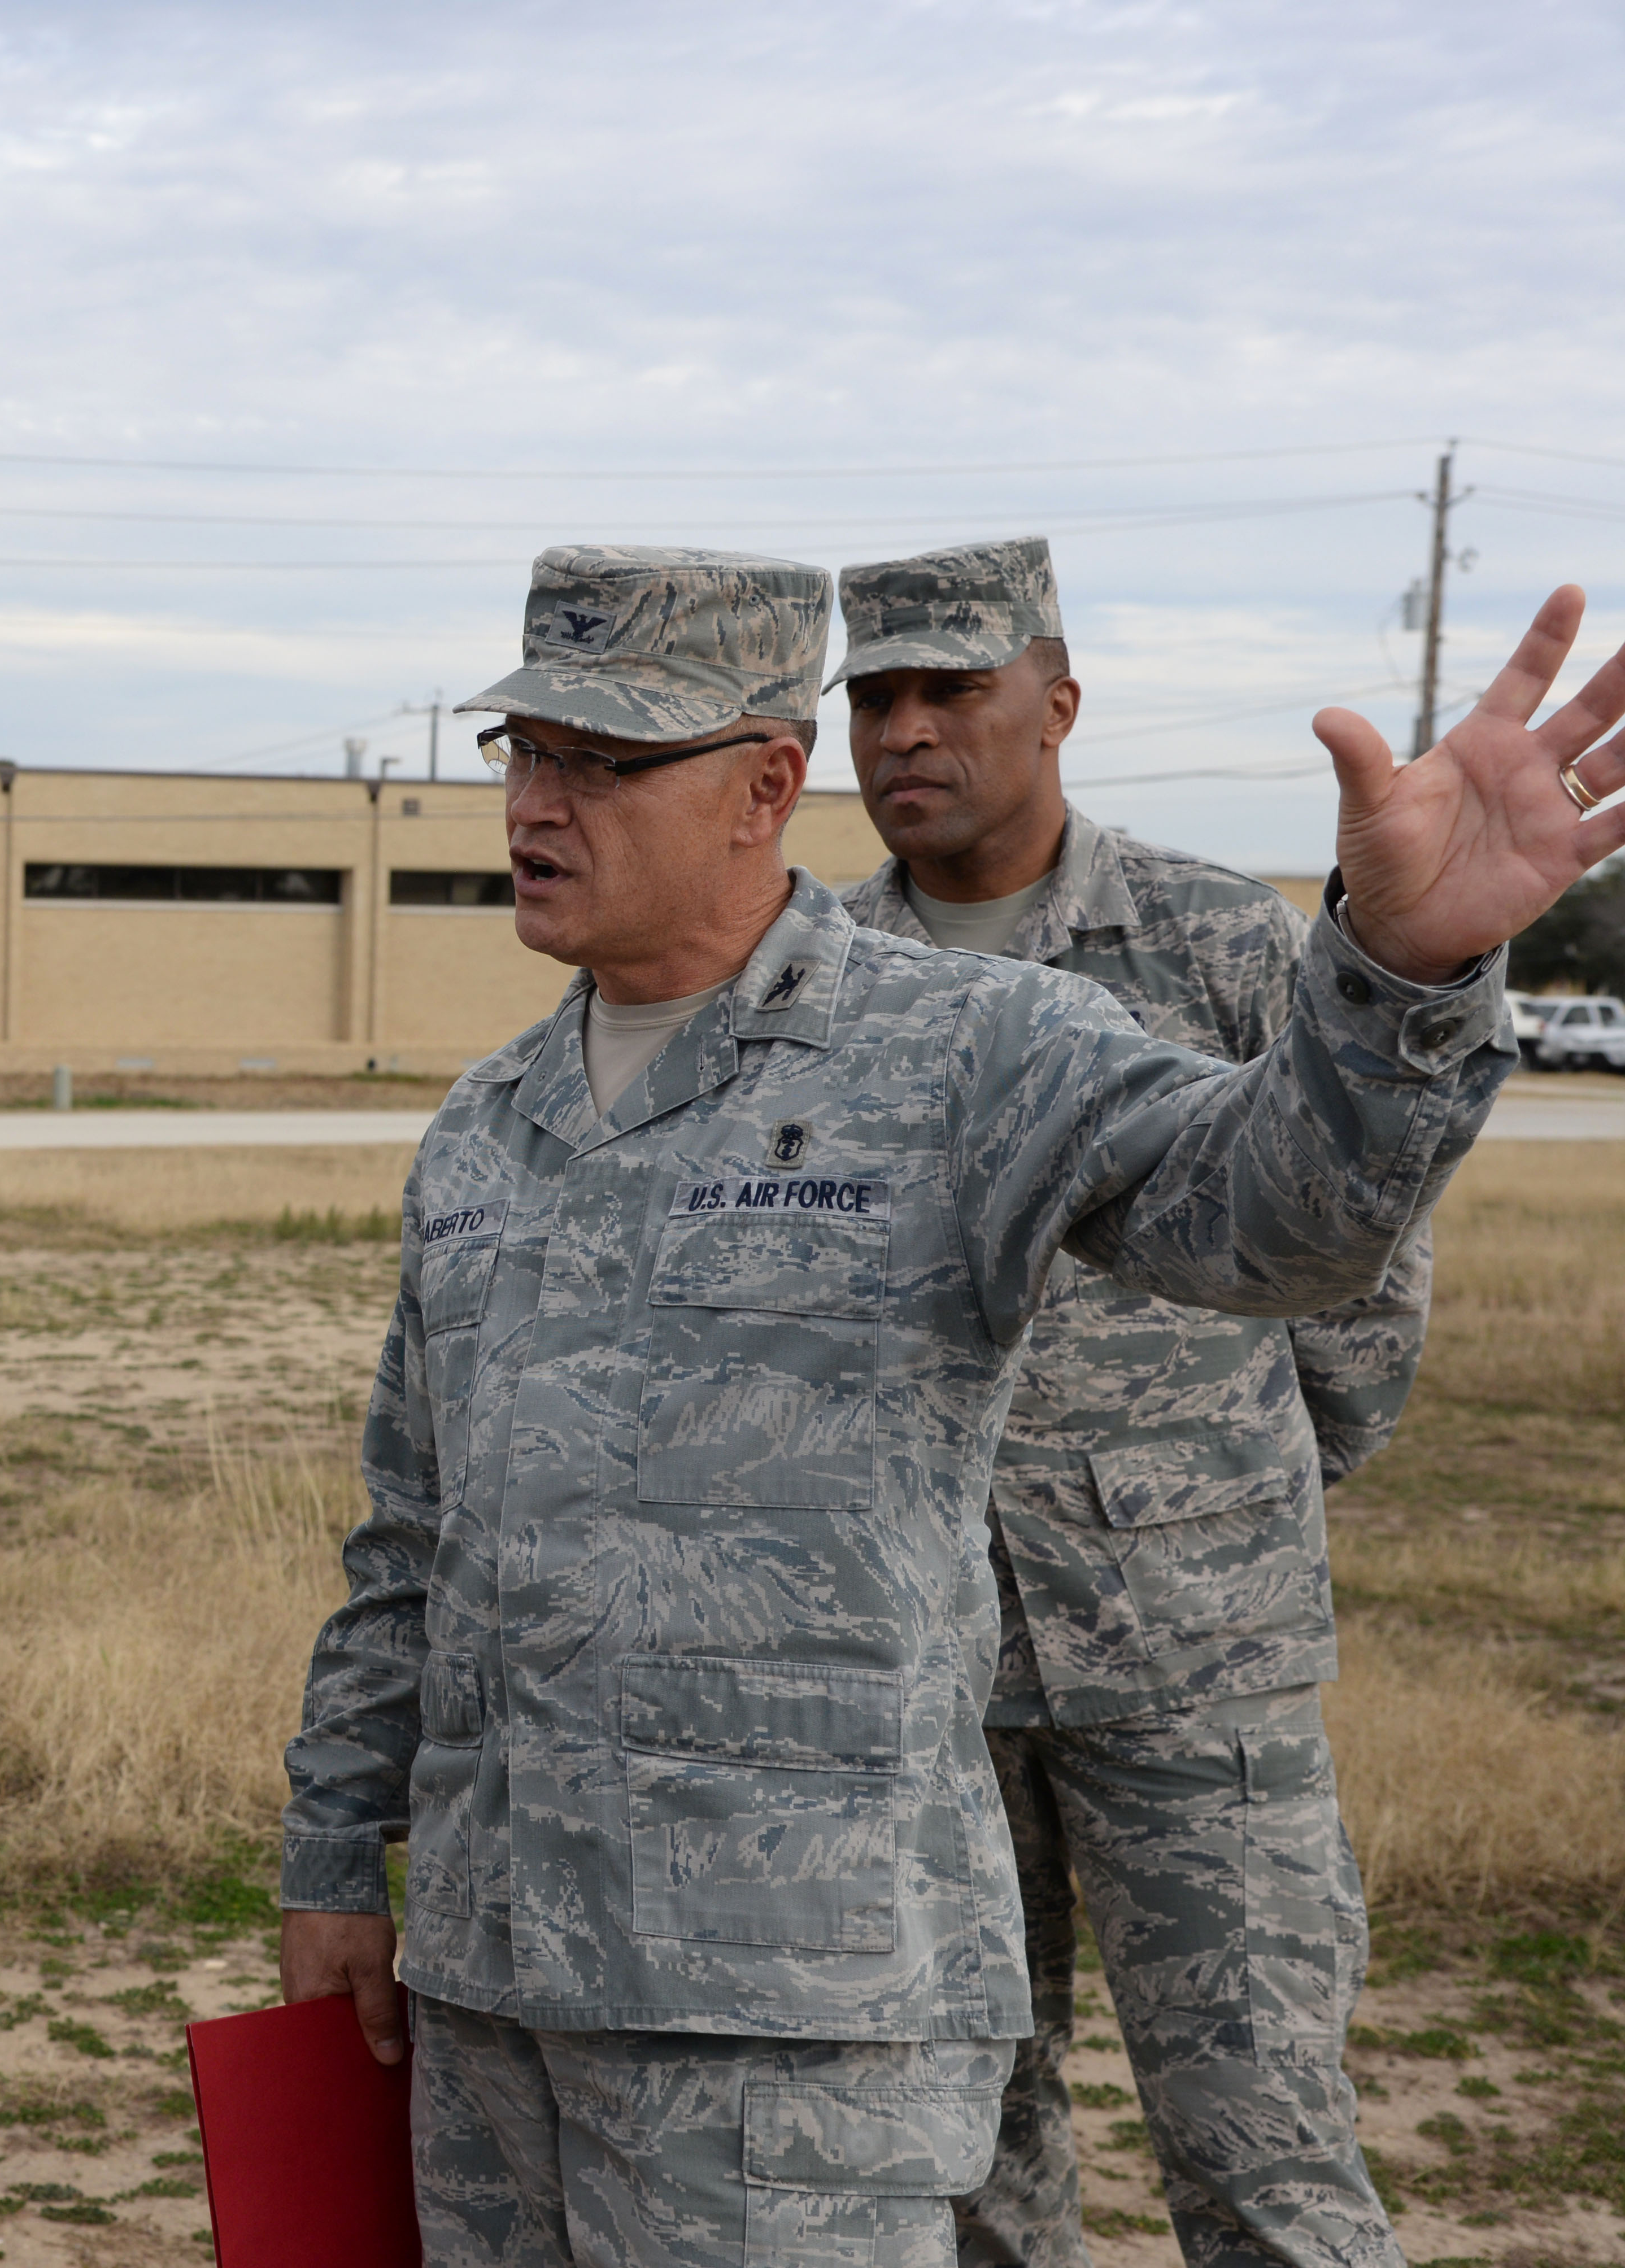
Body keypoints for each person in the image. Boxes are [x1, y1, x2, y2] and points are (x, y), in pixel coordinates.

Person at [278, 540, 1605, 2268]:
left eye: (605, 762)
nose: (541, 799)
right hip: (493, 2000)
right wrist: (330, 1860)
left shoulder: (976, 1047)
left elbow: (1277, 1223)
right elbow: (414, 1534)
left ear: (764, 784)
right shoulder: (489, 1121)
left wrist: (1399, 986)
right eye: (526, 751)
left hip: (785, 2025)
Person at [833, 535, 1421, 2268]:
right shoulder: (820, 980)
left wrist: (1217, 1502)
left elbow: (1359, 1275)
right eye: (877, 696)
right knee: (965, 2158)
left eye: (955, 689)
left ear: (1059, 704)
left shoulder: (1217, 941)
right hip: (919, 1674)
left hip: (1194, 1665)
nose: (908, 732)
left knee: (1264, 2155)